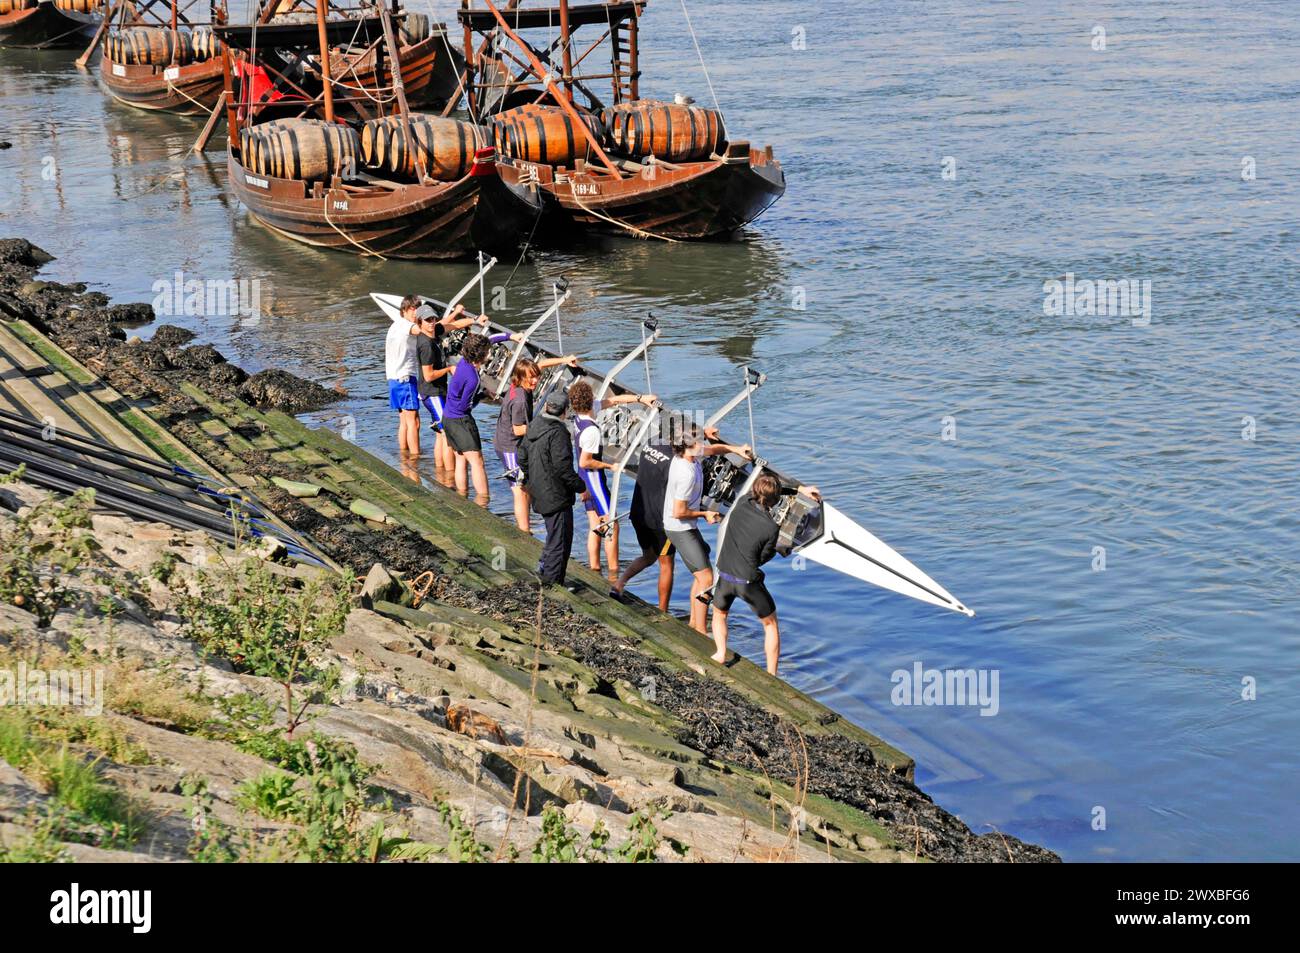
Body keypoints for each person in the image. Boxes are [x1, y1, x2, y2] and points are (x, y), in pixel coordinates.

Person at [610, 424, 733, 610]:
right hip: (659, 519)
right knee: (666, 565)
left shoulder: (651, 445)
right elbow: (704, 452)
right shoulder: (677, 462)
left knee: (648, 556)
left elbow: (691, 446)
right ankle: (663, 610)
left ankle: (618, 585)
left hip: (639, 511)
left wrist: (703, 435)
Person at [711, 473, 820, 675]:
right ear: (776, 500)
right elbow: (763, 558)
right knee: (770, 624)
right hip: (747, 582)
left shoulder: (741, 502)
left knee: (719, 614)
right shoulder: (771, 528)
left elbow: (760, 489)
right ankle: (772, 673)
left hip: (724, 574)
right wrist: (799, 492)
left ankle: (720, 653)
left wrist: (796, 490)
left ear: (754, 491)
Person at [663, 425, 751, 634]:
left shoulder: (689, 455)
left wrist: (736, 449)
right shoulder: (685, 474)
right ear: (687, 446)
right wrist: (705, 514)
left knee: (702, 570)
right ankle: (701, 631)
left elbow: (715, 450)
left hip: (685, 526)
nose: (702, 445)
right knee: (706, 578)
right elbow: (678, 511)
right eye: (698, 442)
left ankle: (694, 623)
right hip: (678, 527)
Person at [567, 380, 656, 583]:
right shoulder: (591, 431)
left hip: (583, 478)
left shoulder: (580, 417)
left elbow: (614, 400)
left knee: (594, 525)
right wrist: (611, 466)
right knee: (611, 525)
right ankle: (613, 575)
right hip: (594, 481)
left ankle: (595, 568)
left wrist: (641, 399)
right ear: (590, 400)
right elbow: (586, 461)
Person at [494, 353, 578, 533]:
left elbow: (541, 364)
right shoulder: (520, 400)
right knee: (520, 490)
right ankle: (524, 531)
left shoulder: (518, 384)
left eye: (536, 377)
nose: (536, 381)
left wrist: (564, 360)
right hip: (509, 446)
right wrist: (543, 427)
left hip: (513, 444)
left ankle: (526, 524)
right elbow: (517, 430)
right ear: (522, 377)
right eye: (531, 378)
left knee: (525, 486)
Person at [516, 390, 586, 586]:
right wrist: (581, 486)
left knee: (552, 534)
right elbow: (563, 468)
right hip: (556, 496)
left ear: (547, 407)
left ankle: (545, 570)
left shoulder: (534, 425)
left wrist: (532, 478)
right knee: (560, 541)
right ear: (564, 412)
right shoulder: (558, 433)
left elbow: (521, 456)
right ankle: (552, 584)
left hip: (538, 491)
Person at [415, 302, 482, 473]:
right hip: (432, 393)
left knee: (440, 432)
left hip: (438, 390)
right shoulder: (426, 345)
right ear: (419, 323)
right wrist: (449, 369)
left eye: (433, 319)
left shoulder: (433, 331)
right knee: (447, 432)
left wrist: (474, 320)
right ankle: (450, 474)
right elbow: (428, 375)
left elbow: (453, 325)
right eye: (427, 320)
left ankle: (441, 473)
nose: (431, 322)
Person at [385, 295, 425, 458]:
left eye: (418, 310)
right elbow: (424, 331)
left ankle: (404, 456)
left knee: (404, 421)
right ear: (404, 310)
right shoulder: (405, 325)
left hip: (394, 378)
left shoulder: (395, 325)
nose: (415, 313)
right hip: (405, 378)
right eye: (412, 309)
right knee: (413, 422)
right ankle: (415, 458)